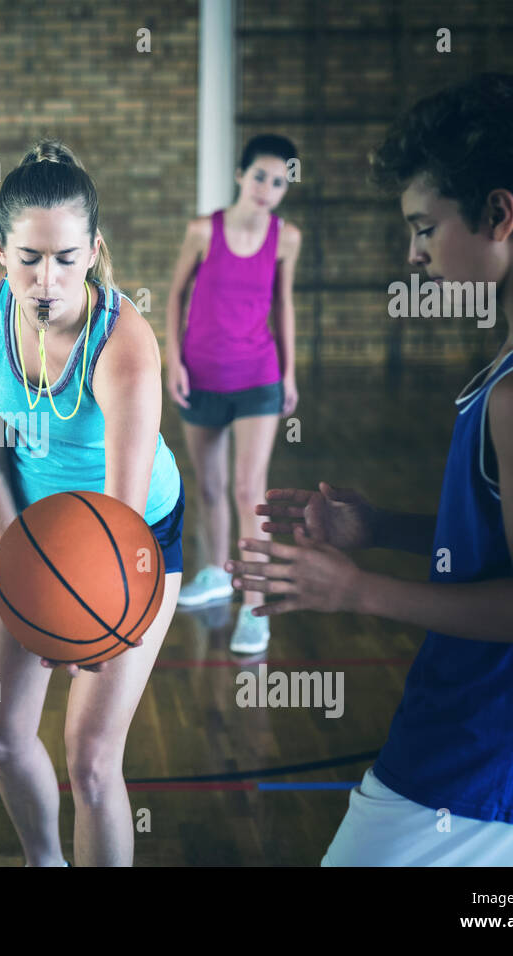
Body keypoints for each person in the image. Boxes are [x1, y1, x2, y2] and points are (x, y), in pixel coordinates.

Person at [228, 74, 513, 865]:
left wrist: (354, 589)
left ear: (498, 215)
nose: (412, 255)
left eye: (423, 228)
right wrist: (379, 529)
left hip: (477, 762)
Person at [0, 140, 185, 866]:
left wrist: (96, 623)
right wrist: (22, 567)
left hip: (130, 540)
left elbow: (120, 515)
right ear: (0, 248)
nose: (45, 279)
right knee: (0, 735)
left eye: (64, 257)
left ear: (94, 251)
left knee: (89, 760)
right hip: (26, 524)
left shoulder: (126, 345)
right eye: (27, 257)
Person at [165, 134, 301, 654]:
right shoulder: (203, 230)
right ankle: (217, 572)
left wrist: (288, 374)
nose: (268, 189)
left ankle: (255, 609)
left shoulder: (287, 238)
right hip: (200, 376)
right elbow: (175, 293)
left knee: (250, 492)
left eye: (280, 181)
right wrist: (172, 359)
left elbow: (282, 303)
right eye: (261, 176)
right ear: (241, 175)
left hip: (258, 378)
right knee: (210, 486)